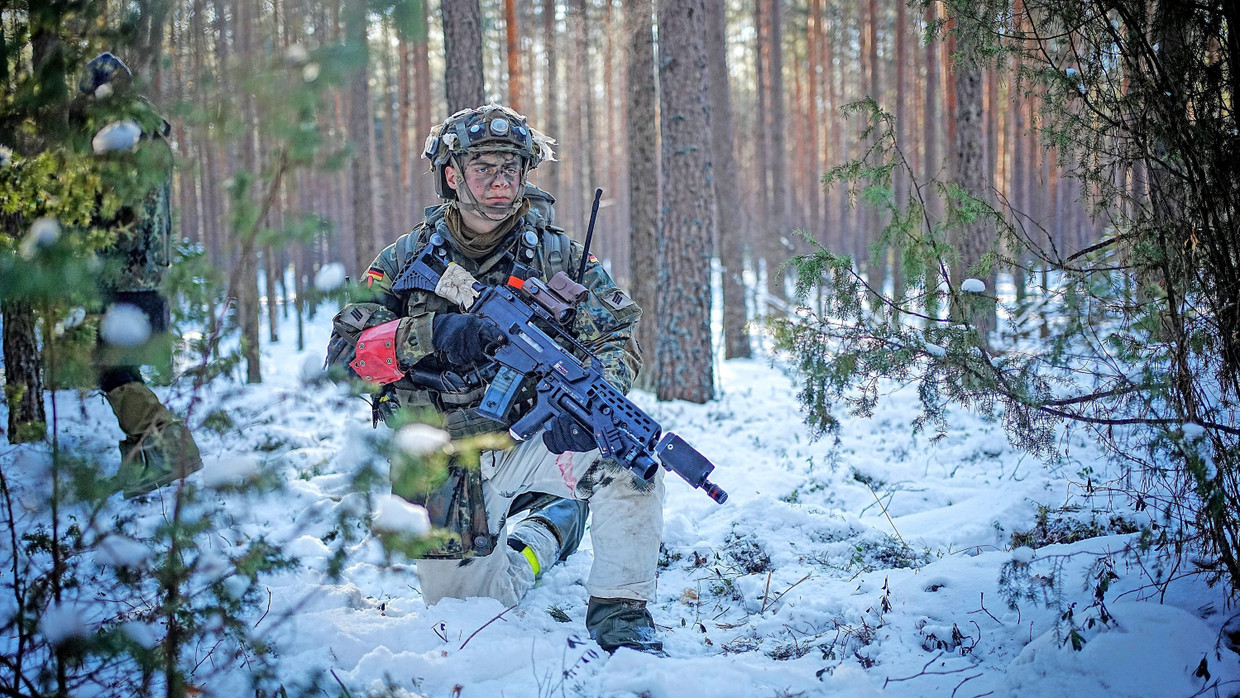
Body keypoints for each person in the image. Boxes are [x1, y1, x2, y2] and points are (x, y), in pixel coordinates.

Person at [326, 104, 665, 654]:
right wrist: (434, 334)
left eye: (511, 167)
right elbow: (344, 359)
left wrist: (593, 389)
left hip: (530, 437)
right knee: (469, 608)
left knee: (630, 457)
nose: (501, 179)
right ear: (452, 174)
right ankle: (548, 532)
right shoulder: (405, 258)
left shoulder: (557, 255)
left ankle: (620, 615)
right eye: (484, 166)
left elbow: (620, 335)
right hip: (441, 453)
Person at [76, 52, 202, 498]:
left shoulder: (127, 136)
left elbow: (117, 209)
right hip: (143, 268)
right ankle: (140, 463)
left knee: (111, 365)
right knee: (115, 364)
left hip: (128, 270)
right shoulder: (144, 132)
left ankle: (171, 446)